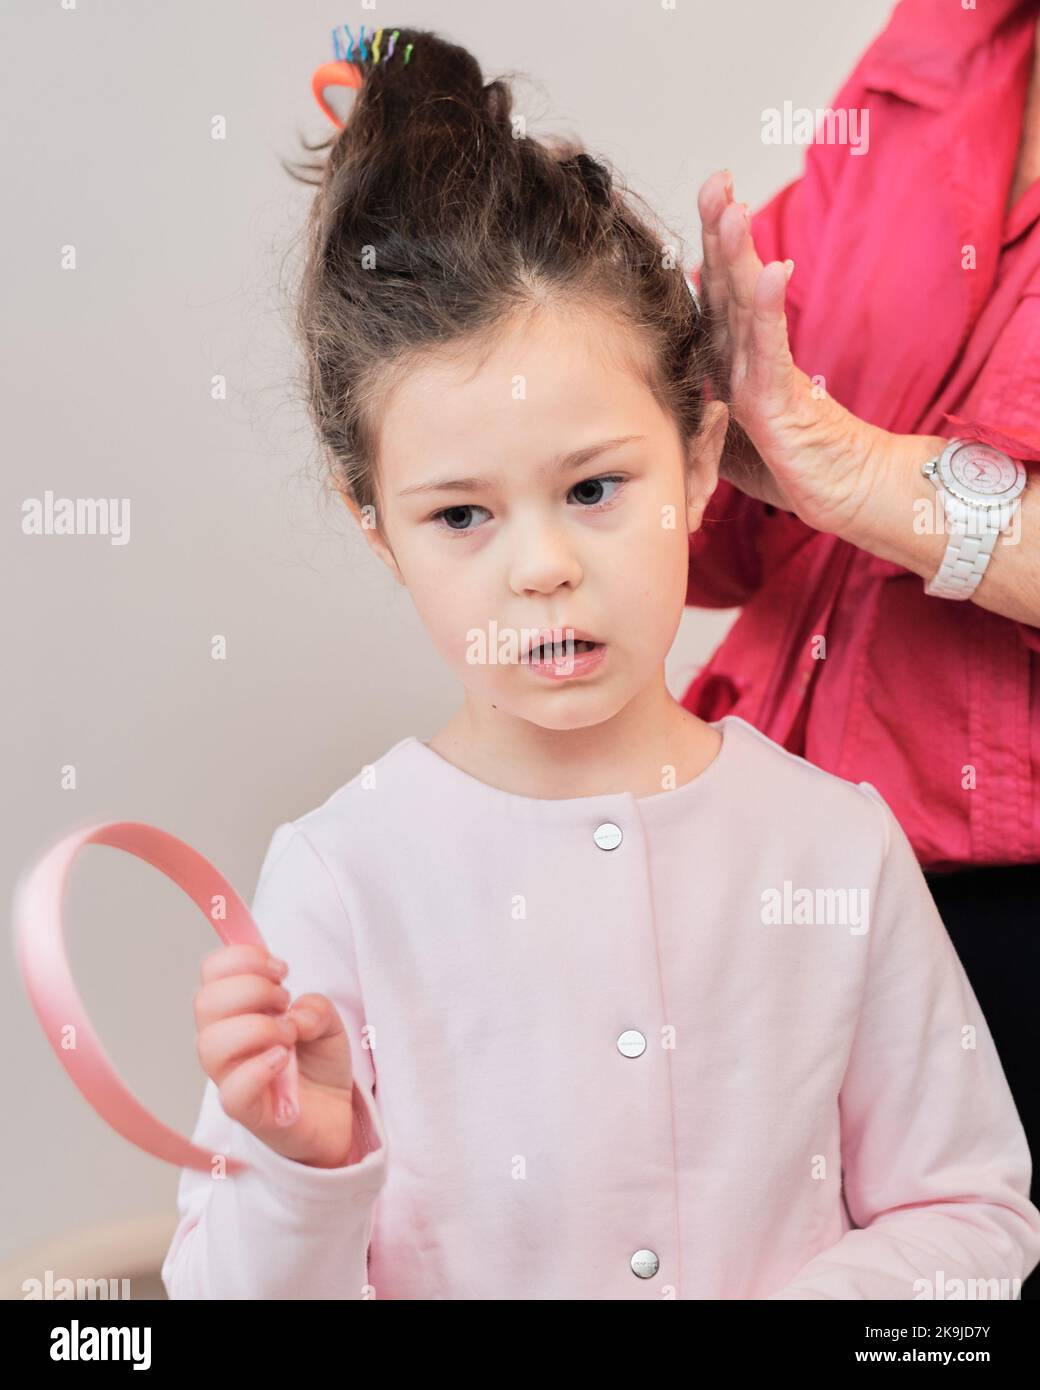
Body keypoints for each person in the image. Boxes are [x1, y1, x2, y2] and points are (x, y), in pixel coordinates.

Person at [161, 28, 1040, 1300]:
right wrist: (305, 1168)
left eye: (590, 487)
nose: (540, 569)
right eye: (460, 514)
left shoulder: (837, 848)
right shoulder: (338, 881)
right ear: (379, 531)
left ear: (697, 461)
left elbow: (967, 1213)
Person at [683, 0, 1040, 1297]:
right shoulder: (936, 48)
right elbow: (733, 531)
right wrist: (663, 430)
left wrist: (840, 467)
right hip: (775, 865)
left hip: (1003, 922)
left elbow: (825, 464)